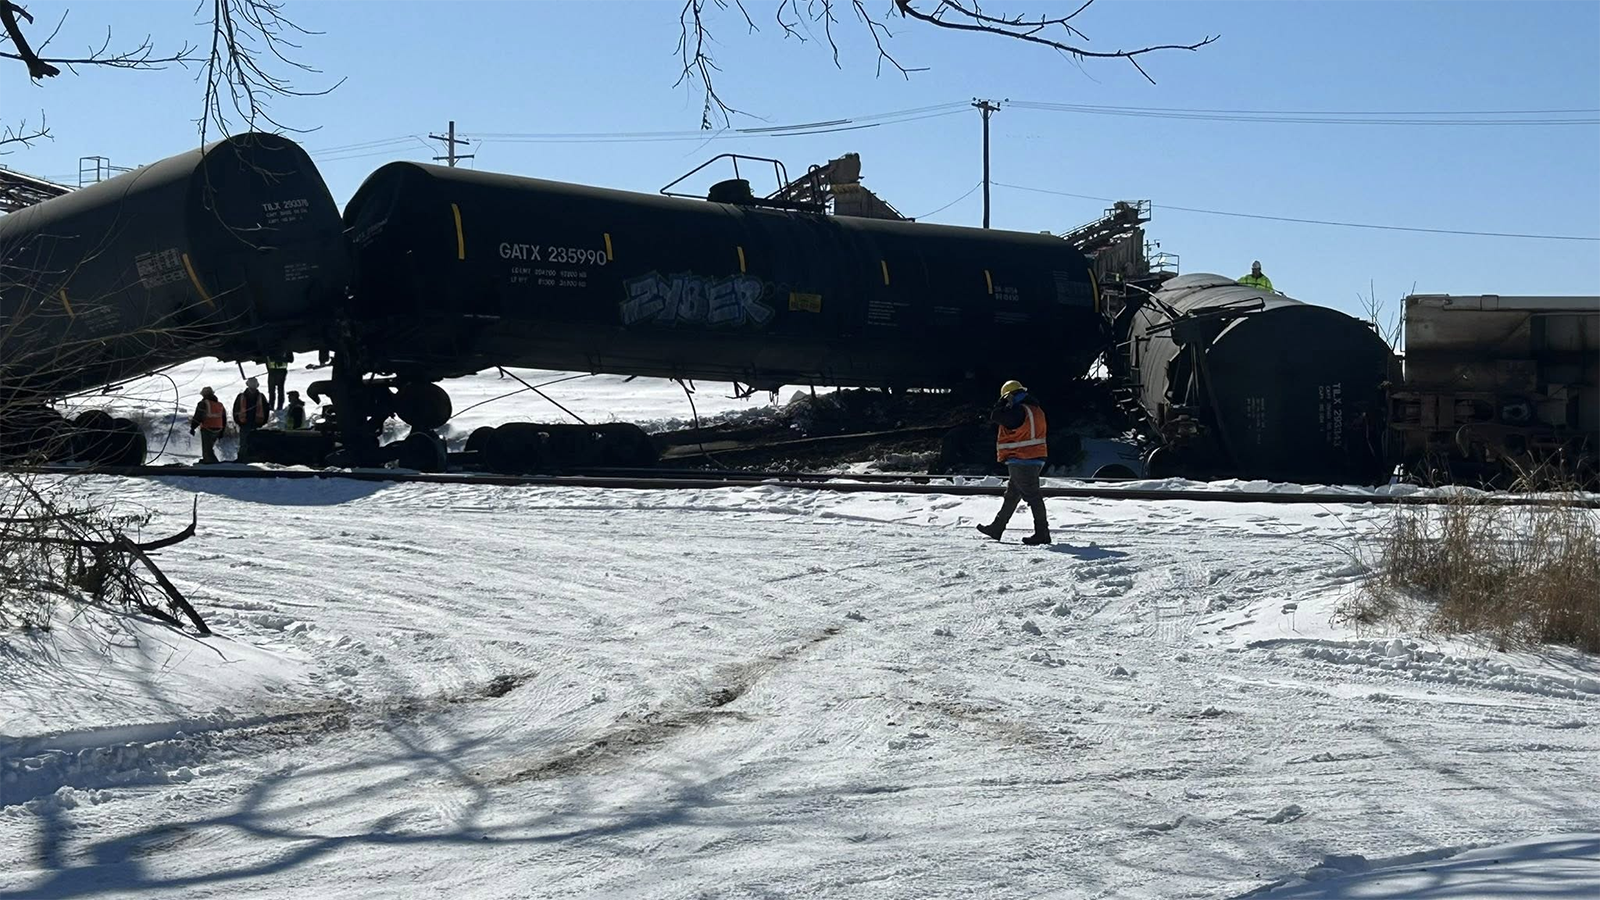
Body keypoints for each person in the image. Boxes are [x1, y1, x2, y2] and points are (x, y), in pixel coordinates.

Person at [976, 380, 1052, 545]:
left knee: (1033, 496)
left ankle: (1042, 533)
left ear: (1010, 396)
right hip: (1031, 457)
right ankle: (997, 527)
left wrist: (1002, 403)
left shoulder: (1018, 410)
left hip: (1023, 459)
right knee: (1012, 496)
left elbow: (996, 416)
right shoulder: (1034, 409)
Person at [188, 386, 227, 464]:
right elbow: (224, 418)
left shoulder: (203, 404)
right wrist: (222, 431)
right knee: (209, 447)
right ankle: (208, 460)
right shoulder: (220, 405)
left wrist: (193, 427)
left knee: (207, 448)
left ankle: (210, 462)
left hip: (208, 428)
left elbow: (198, 416)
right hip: (218, 429)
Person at [233, 377, 270, 442]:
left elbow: (266, 410)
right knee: (244, 445)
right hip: (244, 425)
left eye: (254, 383)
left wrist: (262, 423)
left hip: (257, 425)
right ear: (248, 384)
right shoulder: (241, 396)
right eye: (251, 383)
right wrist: (239, 423)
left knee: (256, 446)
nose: (253, 385)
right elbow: (235, 411)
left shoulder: (261, 396)